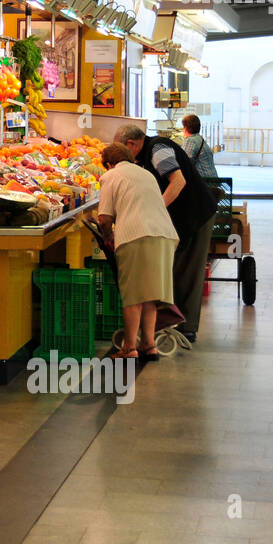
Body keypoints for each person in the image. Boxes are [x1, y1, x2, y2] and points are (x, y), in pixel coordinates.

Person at [113, 125, 217, 344]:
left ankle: (186, 327)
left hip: (196, 215)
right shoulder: (144, 156)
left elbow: (178, 181)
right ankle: (173, 323)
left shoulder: (157, 149)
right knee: (175, 269)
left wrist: (155, 210)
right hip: (181, 218)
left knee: (187, 269)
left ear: (132, 144)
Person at [96, 143, 179, 361]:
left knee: (132, 294)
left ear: (108, 164)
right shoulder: (146, 174)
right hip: (164, 235)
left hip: (135, 235)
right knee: (149, 293)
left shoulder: (111, 176)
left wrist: (108, 237)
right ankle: (149, 345)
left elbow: (104, 217)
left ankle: (130, 347)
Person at [178, 114, 217, 179]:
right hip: (213, 180)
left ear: (186, 128)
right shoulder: (199, 138)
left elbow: (184, 162)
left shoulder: (191, 140)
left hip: (205, 181)